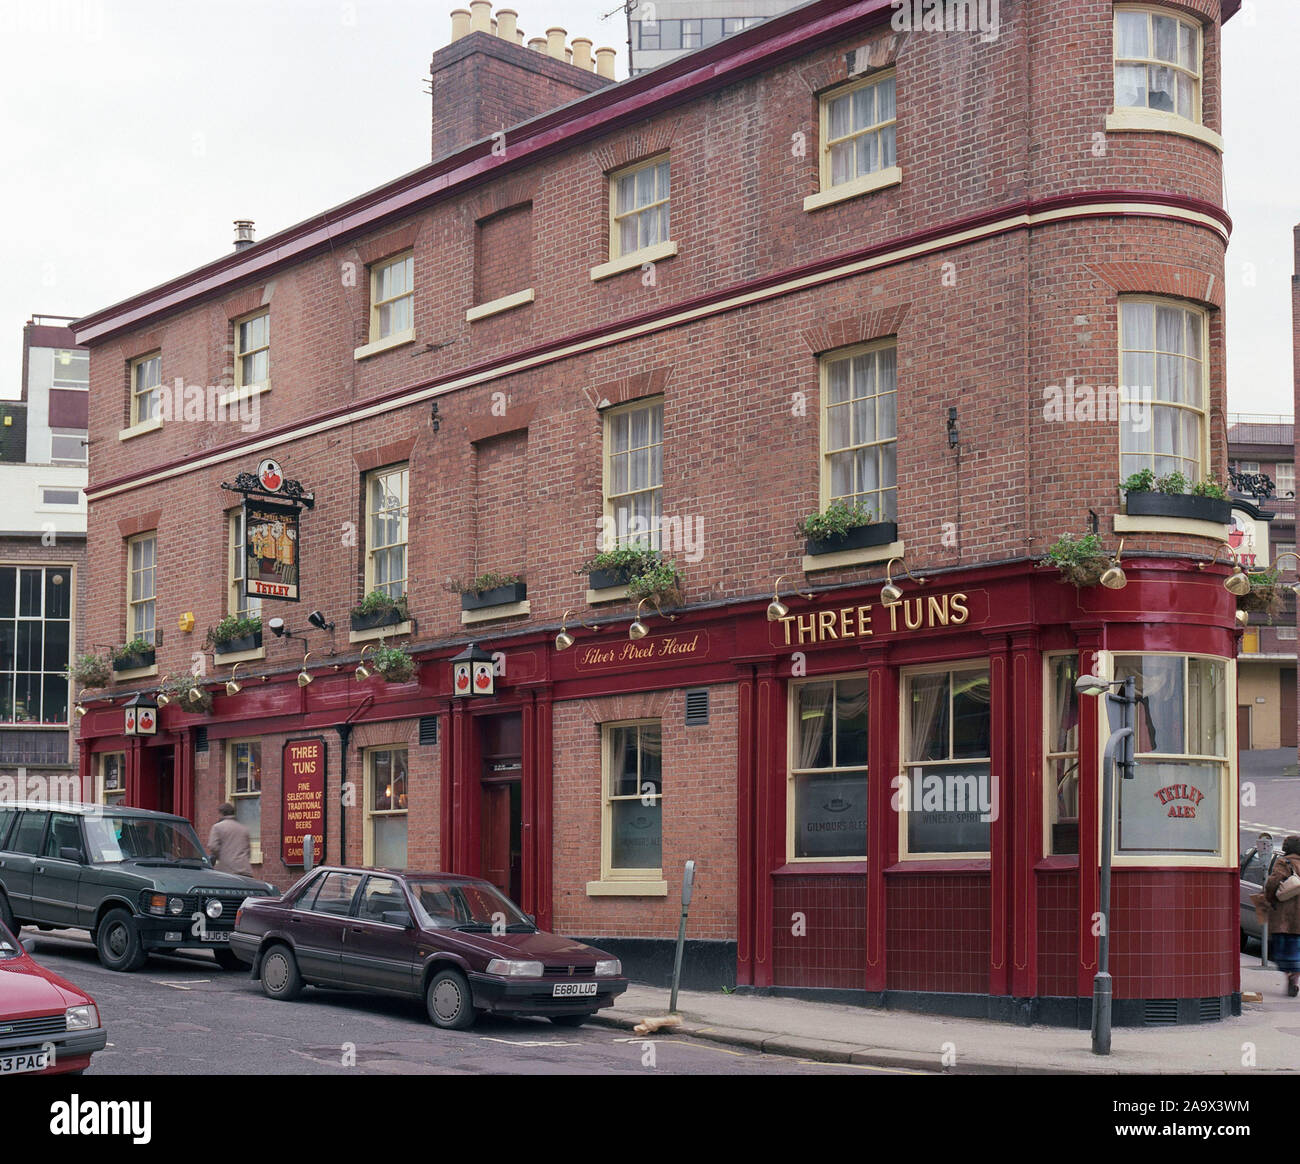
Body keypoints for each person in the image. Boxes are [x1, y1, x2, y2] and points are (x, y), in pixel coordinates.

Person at [1263, 835, 1300, 997]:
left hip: (1284, 916)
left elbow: (1272, 883)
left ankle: (1289, 976)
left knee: (1284, 950)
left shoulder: (1283, 862)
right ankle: (1295, 978)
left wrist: (1270, 898)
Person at [207, 803, 253, 877]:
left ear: (221, 813)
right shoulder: (244, 829)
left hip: (227, 870)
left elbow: (213, 846)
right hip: (245, 870)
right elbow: (248, 851)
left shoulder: (217, 827)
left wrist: (222, 856)